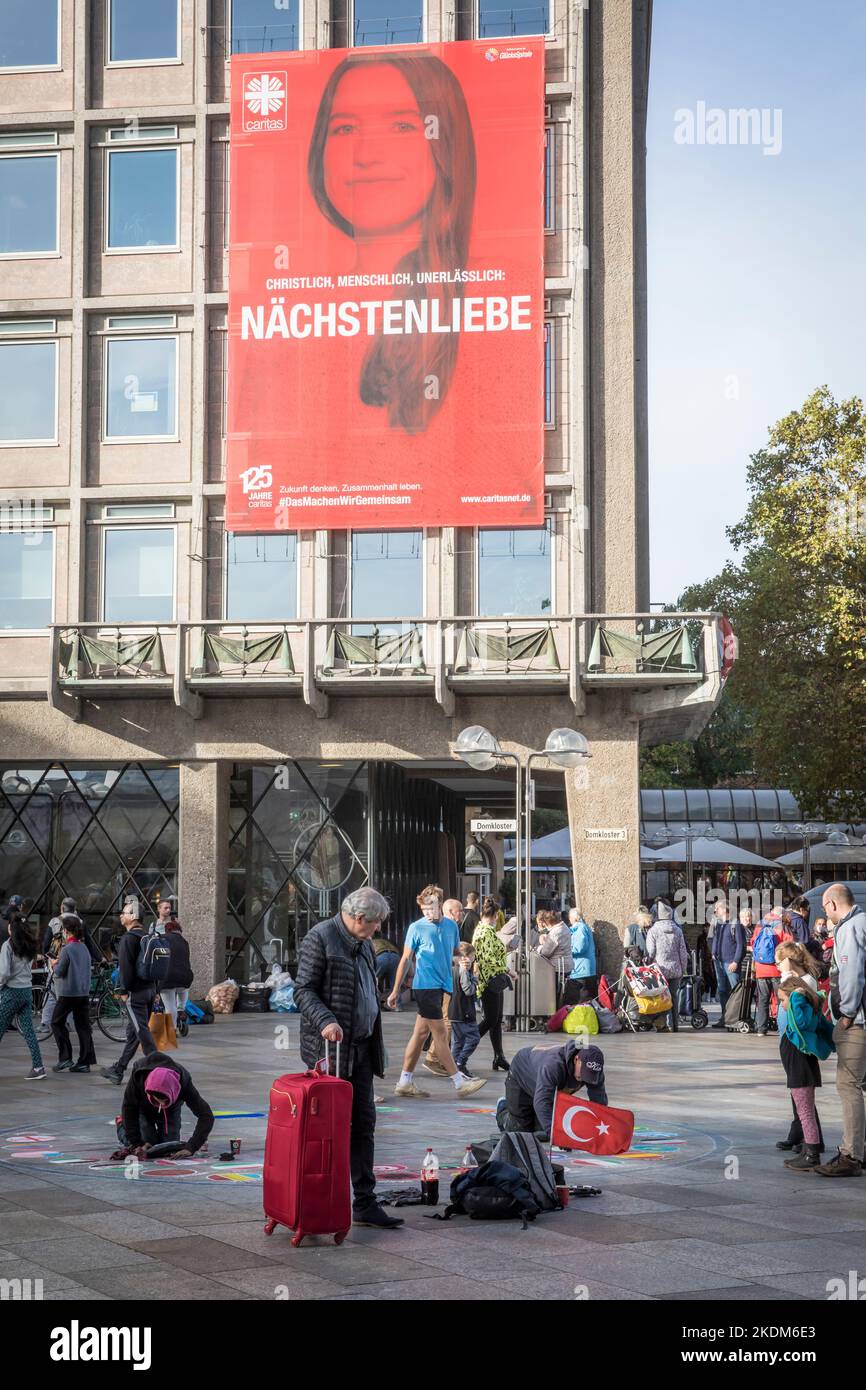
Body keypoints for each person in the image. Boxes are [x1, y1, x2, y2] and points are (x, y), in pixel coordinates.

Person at [308, 52, 476, 436]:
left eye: (402, 126)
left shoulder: (497, 295)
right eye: (345, 129)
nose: (366, 156)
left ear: (445, 142)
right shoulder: (286, 317)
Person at [294, 886, 404, 1228]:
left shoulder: (365, 944)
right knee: (329, 1130)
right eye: (375, 924)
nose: (377, 931)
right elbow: (302, 990)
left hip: (362, 1049)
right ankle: (324, 1197)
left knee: (364, 1124)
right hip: (331, 1052)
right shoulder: (321, 938)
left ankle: (365, 1201)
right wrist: (326, 1020)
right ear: (359, 918)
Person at [389, 887, 485, 1097]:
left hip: (443, 985)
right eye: (423, 909)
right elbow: (406, 959)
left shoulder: (451, 926)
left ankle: (405, 1081)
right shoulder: (416, 928)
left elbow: (451, 951)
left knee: (421, 1034)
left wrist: (465, 957)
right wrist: (395, 990)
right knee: (440, 1034)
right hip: (425, 986)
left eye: (430, 908)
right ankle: (459, 1082)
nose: (427, 913)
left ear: (440, 905)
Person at [813, 883, 866, 1177]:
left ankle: (851, 1154)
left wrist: (846, 1015)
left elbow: (851, 973)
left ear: (833, 904)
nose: (824, 912)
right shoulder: (863, 921)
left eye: (824, 907)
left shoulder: (849, 928)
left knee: (848, 1085)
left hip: (857, 1021)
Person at [776, 975, 835, 1171]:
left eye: (783, 1000)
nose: (781, 1005)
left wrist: (797, 998)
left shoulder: (801, 1017)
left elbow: (800, 1022)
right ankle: (809, 1148)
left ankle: (812, 1154)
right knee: (805, 1111)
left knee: (805, 1112)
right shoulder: (810, 1013)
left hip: (800, 1071)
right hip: (799, 1070)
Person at [774, 941, 826, 1156]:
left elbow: (792, 995)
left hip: (798, 1045)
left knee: (802, 1093)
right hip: (788, 1041)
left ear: (789, 962)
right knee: (798, 1093)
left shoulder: (805, 981)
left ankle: (813, 1141)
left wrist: (786, 972)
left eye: (779, 963)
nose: (777, 967)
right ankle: (799, 1132)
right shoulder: (797, 979)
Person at [498, 1040, 607, 1137]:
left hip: (544, 1083)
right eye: (583, 1073)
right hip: (522, 1075)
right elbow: (542, 1102)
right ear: (576, 1059)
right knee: (521, 1133)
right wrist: (557, 1136)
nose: (584, 1079)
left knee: (541, 1132)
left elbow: (599, 1101)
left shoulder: (594, 1070)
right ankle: (503, 1108)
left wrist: (601, 1125)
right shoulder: (553, 1066)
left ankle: (532, 1116)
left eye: (589, 1076)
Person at [100, 903, 157, 1086]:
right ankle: (119, 1069)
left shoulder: (128, 939)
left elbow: (125, 968)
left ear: (133, 916)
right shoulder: (147, 937)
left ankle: (159, 1067)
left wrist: (123, 991)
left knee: (141, 1031)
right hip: (149, 990)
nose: (121, 916)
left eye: (124, 913)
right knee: (134, 1033)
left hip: (135, 994)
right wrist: (156, 990)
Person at [116, 1055, 214, 1160]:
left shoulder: (184, 1082)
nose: (161, 1105)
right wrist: (136, 1143)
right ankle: (121, 1126)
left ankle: (165, 1110)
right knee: (148, 1146)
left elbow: (206, 1115)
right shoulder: (139, 1076)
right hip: (143, 1109)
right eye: (157, 1101)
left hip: (171, 1110)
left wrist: (191, 1147)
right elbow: (129, 1108)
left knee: (168, 1147)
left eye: (165, 1101)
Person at [0, 915, 45, 1079]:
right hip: (26, 991)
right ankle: (38, 1067)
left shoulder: (8, 945)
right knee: (29, 1031)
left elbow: (4, 972)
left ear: (11, 929)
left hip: (11, 992)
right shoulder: (29, 945)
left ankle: (39, 1068)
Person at [50, 915, 97, 1073]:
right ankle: (85, 1062)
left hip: (68, 993)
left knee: (56, 1022)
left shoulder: (67, 949)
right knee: (83, 1027)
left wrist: (53, 965)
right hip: (83, 992)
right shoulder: (84, 948)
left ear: (65, 930)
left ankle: (65, 1058)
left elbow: (60, 972)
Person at [472, 895, 512, 1073]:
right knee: (490, 1019)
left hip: (492, 980)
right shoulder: (485, 932)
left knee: (495, 1020)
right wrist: (508, 969)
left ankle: (499, 1056)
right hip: (490, 980)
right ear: (495, 915)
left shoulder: (483, 931)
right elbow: (487, 959)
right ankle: (464, 1049)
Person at [645, 903, 688, 1032]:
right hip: (675, 969)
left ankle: (665, 1024)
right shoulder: (678, 930)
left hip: (660, 969)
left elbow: (650, 952)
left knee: (662, 998)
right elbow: (683, 952)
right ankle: (675, 1024)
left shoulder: (653, 930)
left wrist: (647, 963)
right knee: (674, 996)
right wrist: (683, 969)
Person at [155, 900, 194, 1029]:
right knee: (183, 989)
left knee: (168, 1005)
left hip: (168, 977)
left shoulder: (163, 939)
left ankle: (172, 1030)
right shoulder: (184, 941)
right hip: (185, 977)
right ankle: (181, 1008)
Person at [750, 910, 784, 1036]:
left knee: (763, 999)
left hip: (761, 969)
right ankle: (782, 1027)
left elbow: (753, 943)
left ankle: (761, 1029)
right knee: (781, 999)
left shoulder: (760, 924)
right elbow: (787, 943)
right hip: (776, 968)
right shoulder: (781, 924)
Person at [711, 905, 746, 1027]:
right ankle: (725, 1018)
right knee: (722, 991)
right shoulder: (718, 924)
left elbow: (741, 945)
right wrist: (713, 953)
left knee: (735, 991)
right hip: (719, 962)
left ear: (726, 909)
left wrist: (736, 961)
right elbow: (716, 939)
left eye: (717, 908)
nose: (715, 911)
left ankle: (736, 1018)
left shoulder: (735, 924)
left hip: (731, 963)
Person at [449, 942, 480, 1077]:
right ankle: (461, 1063)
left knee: (458, 1041)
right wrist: (476, 978)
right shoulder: (463, 971)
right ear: (466, 957)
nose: (474, 959)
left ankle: (453, 1066)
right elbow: (468, 990)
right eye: (472, 956)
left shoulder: (453, 969)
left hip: (454, 1011)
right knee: (474, 1037)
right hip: (464, 1012)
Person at [534, 907, 572, 1002]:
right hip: (566, 965)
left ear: (549, 922)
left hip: (557, 968)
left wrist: (540, 946)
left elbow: (545, 953)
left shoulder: (556, 932)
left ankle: (553, 1015)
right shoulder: (564, 927)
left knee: (554, 996)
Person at [562, 906, 597, 1005]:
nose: (569, 919)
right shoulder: (581, 928)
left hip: (581, 970)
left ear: (573, 918)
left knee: (580, 1002)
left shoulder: (580, 928)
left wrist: (566, 951)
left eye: (570, 917)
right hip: (584, 969)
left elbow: (580, 947)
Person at [372, 930, 401, 1004]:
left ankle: (375, 1003)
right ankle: (397, 1005)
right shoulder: (386, 940)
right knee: (395, 983)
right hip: (395, 956)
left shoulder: (369, 940)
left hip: (380, 956)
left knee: (372, 980)